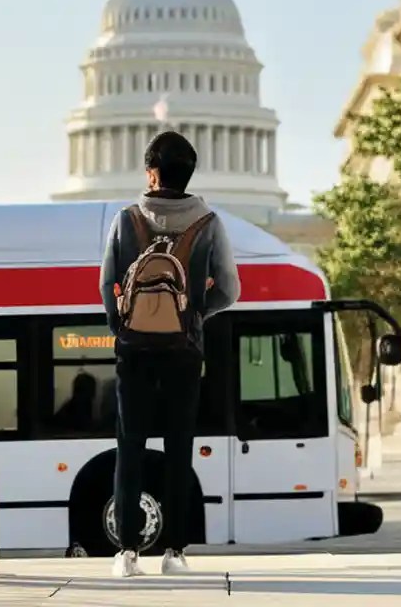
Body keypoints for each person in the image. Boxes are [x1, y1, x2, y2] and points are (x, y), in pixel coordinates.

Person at [99, 130, 240, 578]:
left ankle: (126, 552)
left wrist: (121, 325)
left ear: (152, 173)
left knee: (130, 447)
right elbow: (231, 290)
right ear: (188, 173)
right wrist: (195, 314)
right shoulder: (209, 223)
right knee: (179, 448)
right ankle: (175, 552)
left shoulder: (126, 219)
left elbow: (106, 284)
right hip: (185, 349)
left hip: (134, 350)